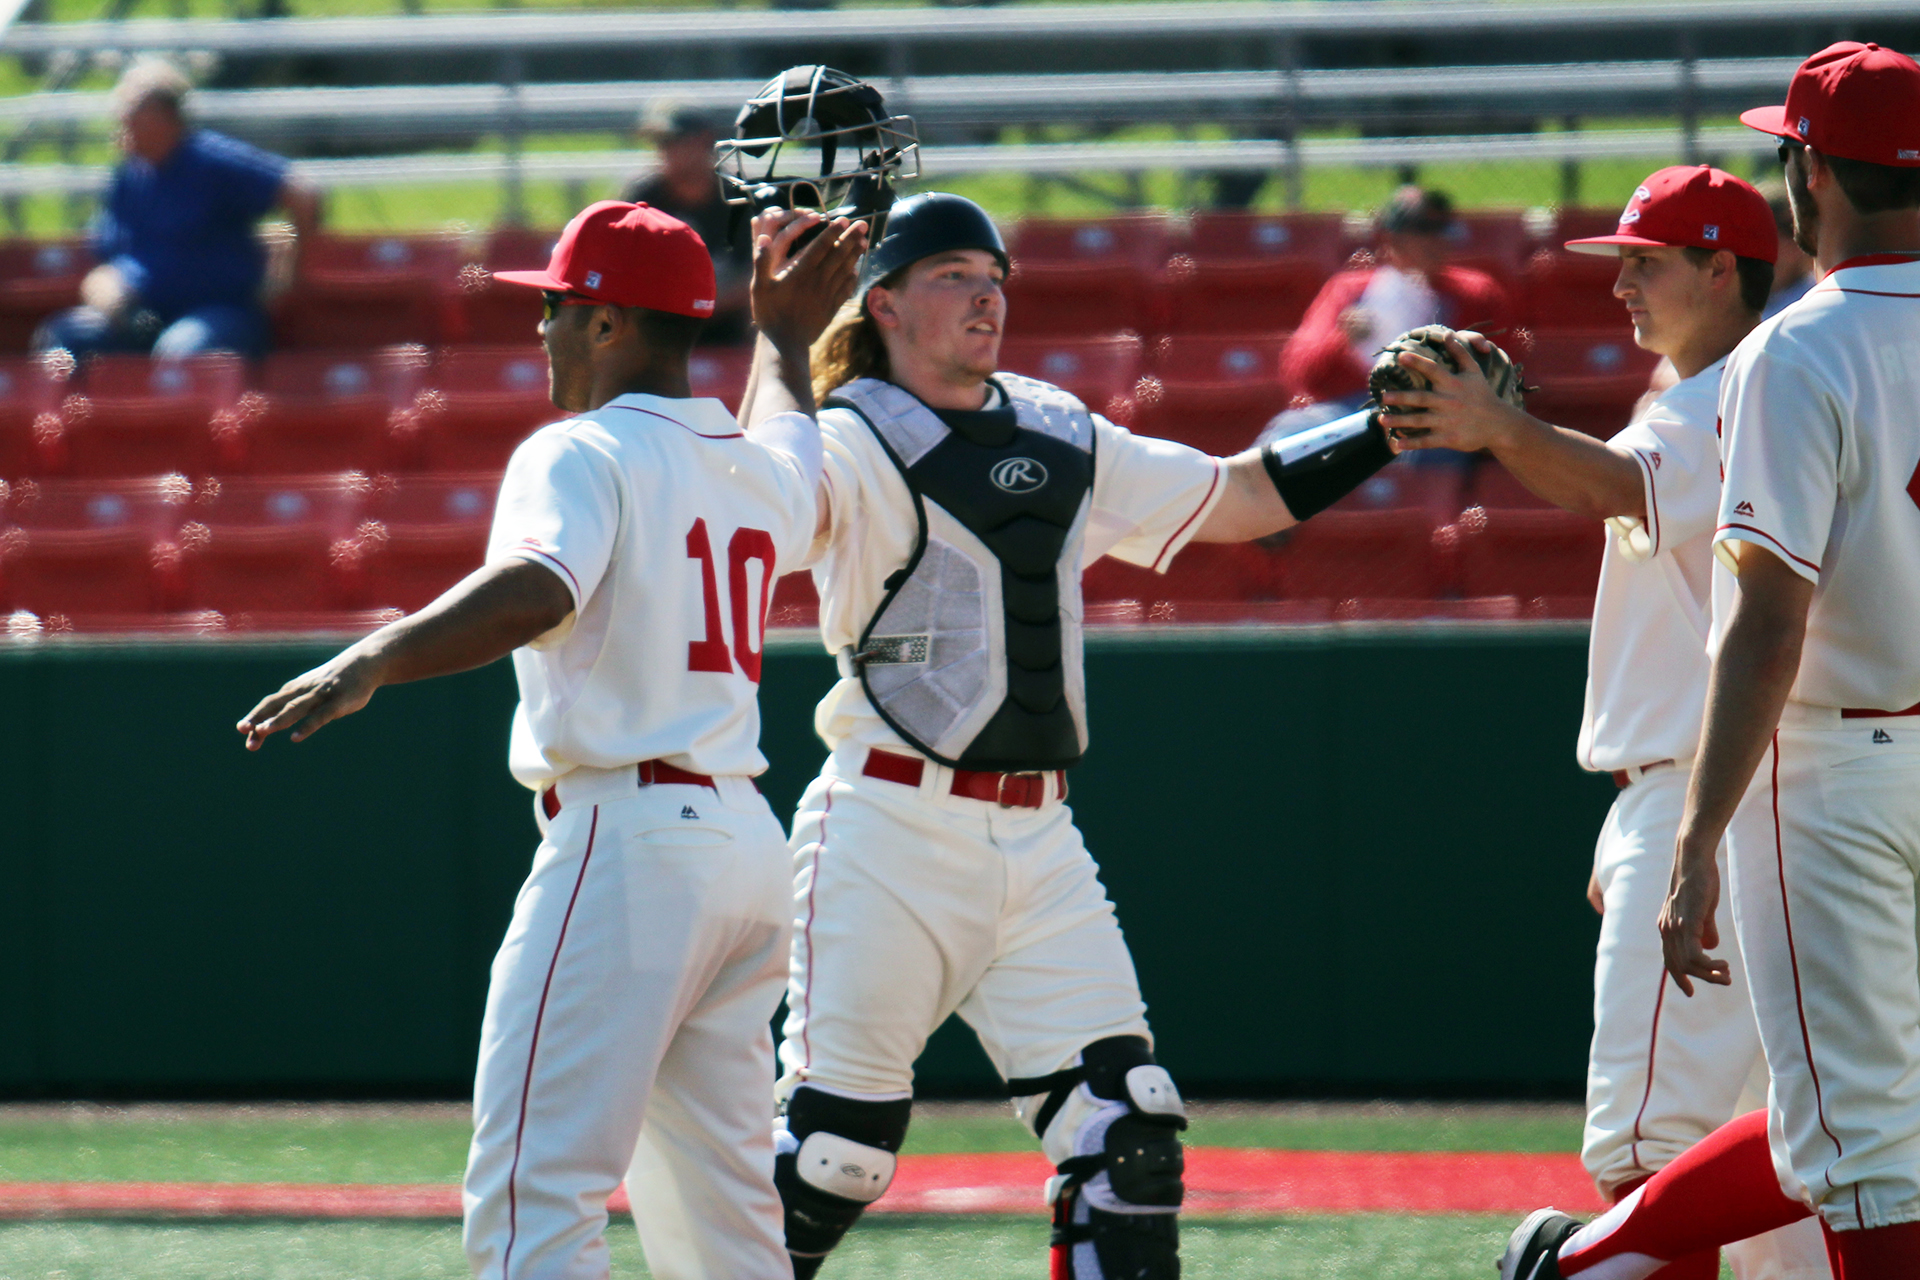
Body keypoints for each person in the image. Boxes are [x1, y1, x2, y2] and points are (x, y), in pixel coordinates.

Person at [759, 191, 1412, 1280]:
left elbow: (1243, 497)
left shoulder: (1057, 427)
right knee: (834, 1154)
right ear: (882, 303)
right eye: (953, 273)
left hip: (1039, 840)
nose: (986, 293)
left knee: (1130, 1134)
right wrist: (777, 335)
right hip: (885, 828)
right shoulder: (847, 439)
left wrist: (1389, 425)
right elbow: (766, 504)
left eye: (995, 273)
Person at [235, 199, 867, 1280]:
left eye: (562, 309)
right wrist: (779, 330)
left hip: (630, 841)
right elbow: (792, 431)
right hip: (740, 850)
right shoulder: (749, 463)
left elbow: (540, 584)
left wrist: (375, 656)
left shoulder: (582, 449)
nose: (544, 332)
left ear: (612, 323)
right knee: (728, 1225)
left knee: (536, 1185)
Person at [1494, 40, 1920, 1280]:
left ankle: (1576, 1265)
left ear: (1808, 176)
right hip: (1874, 750)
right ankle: (1585, 1264)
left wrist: (1693, 842)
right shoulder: (1783, 347)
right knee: (1865, 1131)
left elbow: (1768, 618)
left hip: (1826, 767)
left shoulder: (1797, 351)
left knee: (1857, 1134)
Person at [1383, 165, 1828, 1280]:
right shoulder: (1736, 391)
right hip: (1737, 791)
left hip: (1704, 795)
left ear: (1724, 268)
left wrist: (1493, 425)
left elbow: (1615, 488)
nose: (1621, 282)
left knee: (1647, 1160)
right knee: (1787, 1164)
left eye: (1648, 259)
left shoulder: (1731, 393)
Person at [35, 58, 319, 362]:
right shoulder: (128, 178)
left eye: (130, 109)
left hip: (217, 312)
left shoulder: (212, 162)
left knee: (181, 352)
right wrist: (106, 290)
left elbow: (300, 193)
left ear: (164, 116)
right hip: (142, 317)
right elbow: (107, 259)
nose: (121, 119)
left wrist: (286, 272)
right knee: (64, 340)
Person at [1278, 185, 1512, 411]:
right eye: (1423, 229)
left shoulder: (1476, 292)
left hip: (1442, 414)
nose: (1435, 240)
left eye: (1441, 229)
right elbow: (1298, 373)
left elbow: (1504, 377)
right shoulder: (1348, 289)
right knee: (1286, 434)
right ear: (1392, 238)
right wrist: (1342, 339)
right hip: (1350, 408)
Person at [621, 103, 752, 343]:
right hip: (658, 329)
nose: (665, 152)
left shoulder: (741, 199)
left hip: (731, 331)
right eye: (661, 144)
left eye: (673, 142)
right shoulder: (644, 199)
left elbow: (761, 272)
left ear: (704, 142)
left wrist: (706, 304)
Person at [1757, 181, 1818, 318]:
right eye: (1761, 228)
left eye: (1789, 229)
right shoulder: (1731, 303)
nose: (1775, 240)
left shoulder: (1817, 301)